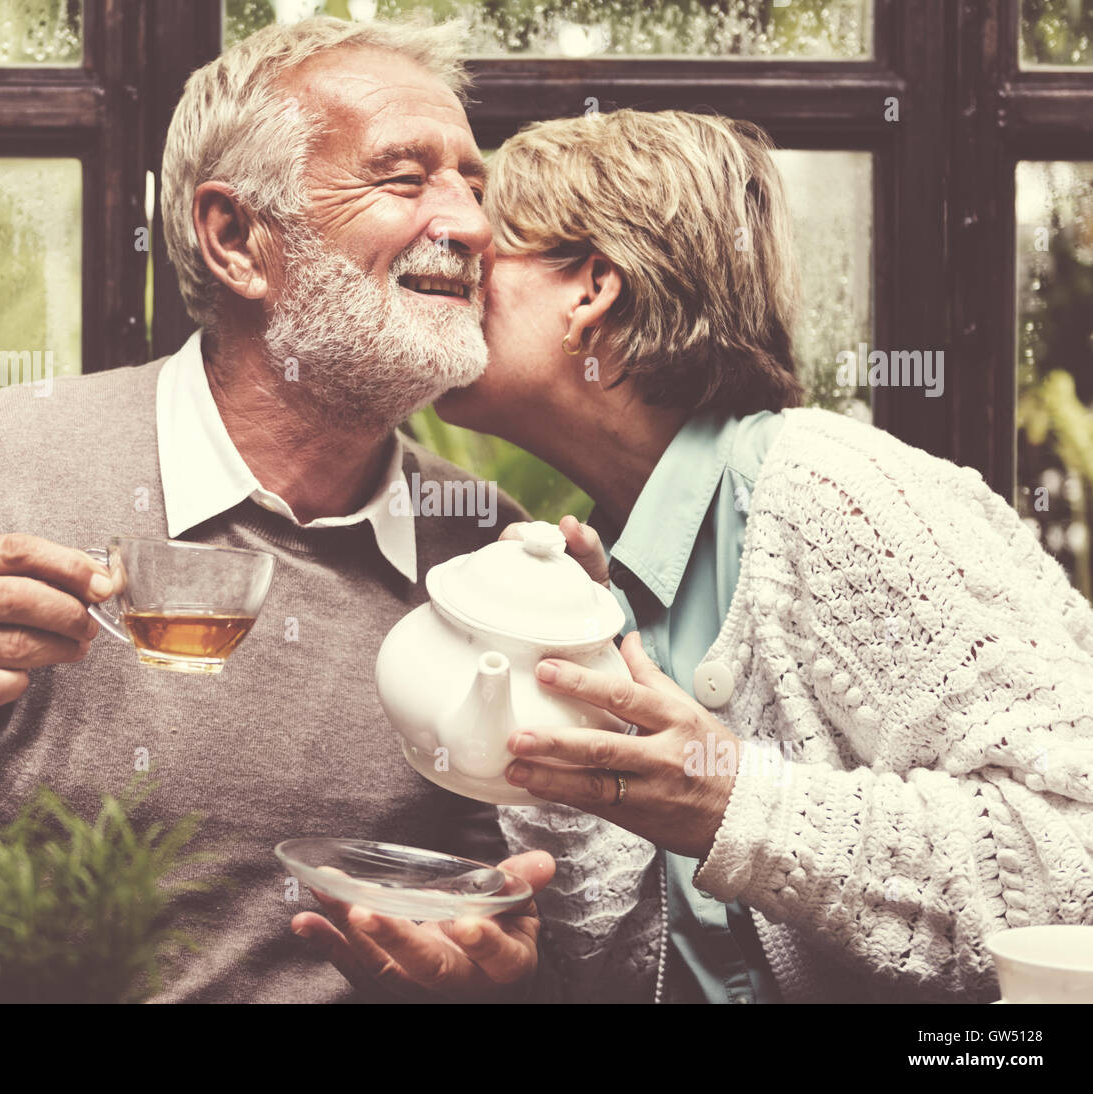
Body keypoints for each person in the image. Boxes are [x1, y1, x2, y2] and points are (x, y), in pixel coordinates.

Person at [0, 16, 555, 1003]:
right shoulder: (4, 466)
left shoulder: (491, 552)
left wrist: (493, 970)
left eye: (472, 182)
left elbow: (498, 904)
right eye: (405, 179)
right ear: (235, 237)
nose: (470, 223)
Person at [434, 108, 1093, 1002]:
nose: (451, 280)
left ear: (591, 290)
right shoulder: (602, 566)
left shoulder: (834, 489)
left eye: (485, 256)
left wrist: (733, 799)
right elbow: (647, 973)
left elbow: (1075, 864)